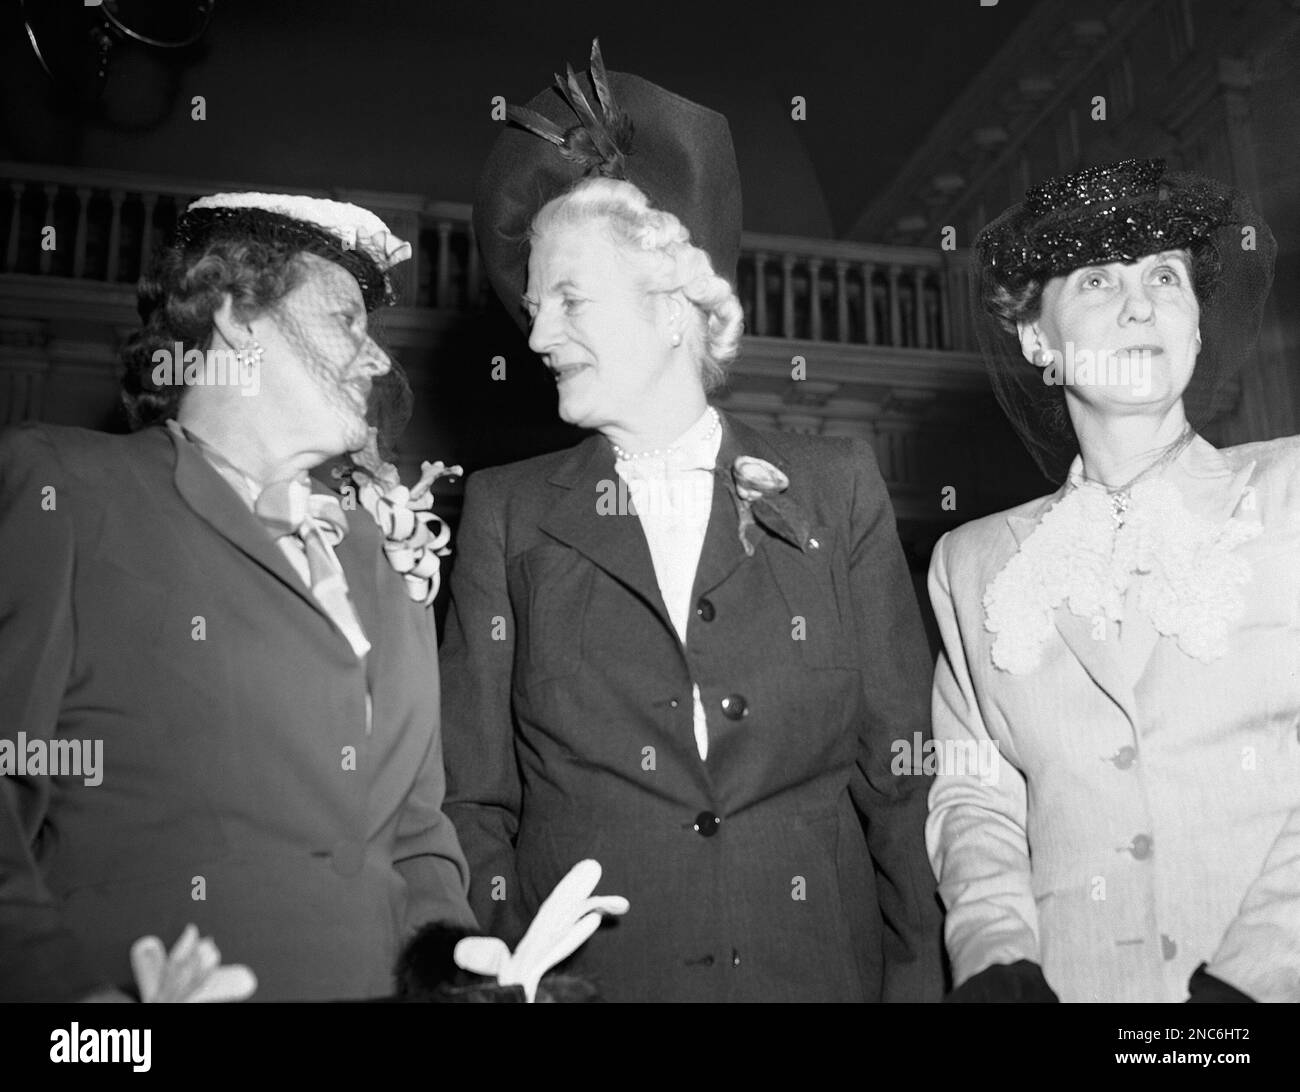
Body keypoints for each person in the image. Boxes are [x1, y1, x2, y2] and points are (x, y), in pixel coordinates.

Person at [440, 41, 942, 1003]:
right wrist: (516, 968)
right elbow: (473, 798)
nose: (538, 335)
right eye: (535, 307)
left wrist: (918, 988)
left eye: (569, 300)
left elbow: (902, 782)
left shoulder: (834, 485)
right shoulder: (507, 515)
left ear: (673, 307)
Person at [0, 192, 476, 1002]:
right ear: (237, 319)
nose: (373, 361)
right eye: (345, 322)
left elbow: (418, 838)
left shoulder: (380, 552)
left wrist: (466, 976)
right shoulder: (68, 489)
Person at [927, 157, 1300, 1003]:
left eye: (1165, 276)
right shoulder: (973, 563)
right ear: (1037, 342)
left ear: (1197, 324)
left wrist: (1252, 981)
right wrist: (996, 958)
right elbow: (976, 802)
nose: (1141, 302)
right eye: (1097, 279)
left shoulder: (1290, 494)